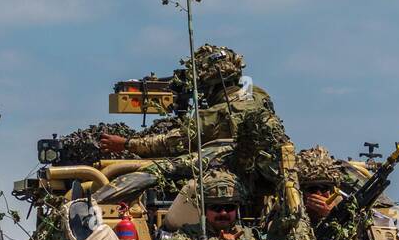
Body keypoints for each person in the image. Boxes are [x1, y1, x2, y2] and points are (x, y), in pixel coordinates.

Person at [100, 45, 279, 159]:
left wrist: (125, 143)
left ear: (207, 86)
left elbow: (171, 142)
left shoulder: (213, 116)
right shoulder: (259, 96)